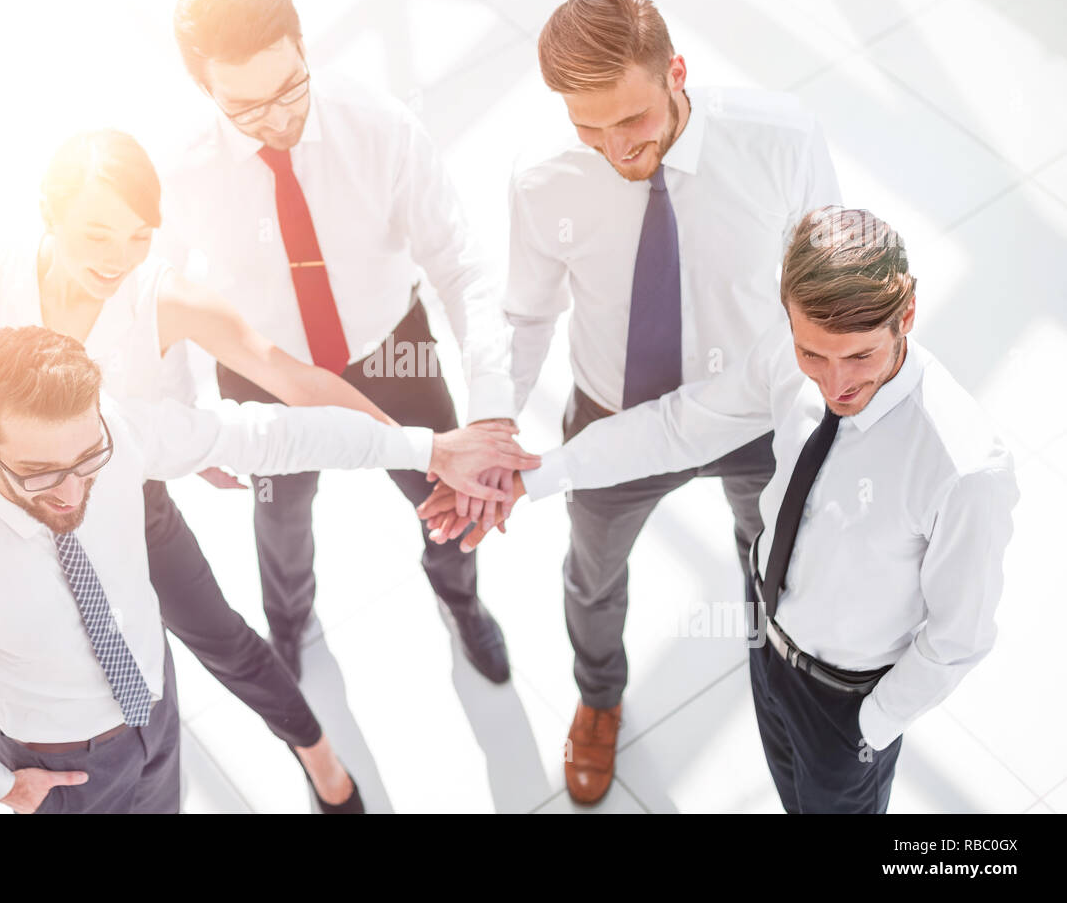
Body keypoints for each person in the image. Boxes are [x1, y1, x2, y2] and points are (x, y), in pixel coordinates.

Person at [0, 129, 531, 809]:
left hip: (134, 506)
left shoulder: (163, 297)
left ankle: (322, 762)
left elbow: (292, 382)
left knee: (225, 642)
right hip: (21, 513)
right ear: (48, 213)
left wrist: (427, 447)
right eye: (98, 234)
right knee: (56, 666)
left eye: (139, 237)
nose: (118, 260)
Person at [421, 206, 1019, 813]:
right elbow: (679, 428)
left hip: (848, 704)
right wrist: (533, 475)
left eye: (860, 357)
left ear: (906, 315)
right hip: (764, 634)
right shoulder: (787, 357)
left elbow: (958, 637)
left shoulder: (964, 468)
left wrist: (871, 723)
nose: (834, 384)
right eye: (814, 354)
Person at [0, 326, 539, 813]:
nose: (71, 492)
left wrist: (426, 448)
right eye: (39, 473)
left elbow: (268, 434)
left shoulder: (113, 429)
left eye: (85, 461)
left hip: (155, 705)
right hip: (61, 767)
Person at [475, 0, 840, 803]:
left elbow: (830, 288)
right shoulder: (545, 180)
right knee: (593, 575)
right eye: (586, 125)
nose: (613, 146)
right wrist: (494, 421)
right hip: (613, 413)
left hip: (753, 415)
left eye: (630, 120)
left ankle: (777, 686)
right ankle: (599, 697)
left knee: (772, 561)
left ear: (677, 71)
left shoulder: (780, 142)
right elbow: (526, 315)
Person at [160, 0, 520, 684]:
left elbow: (458, 264)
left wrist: (494, 406)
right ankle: (289, 626)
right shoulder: (180, 169)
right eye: (246, 106)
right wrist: (181, 418)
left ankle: (461, 600)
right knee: (282, 527)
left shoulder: (379, 126)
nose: (278, 118)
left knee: (449, 497)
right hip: (264, 371)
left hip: (393, 351)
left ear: (303, 49)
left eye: (290, 87)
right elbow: (159, 300)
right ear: (205, 90)